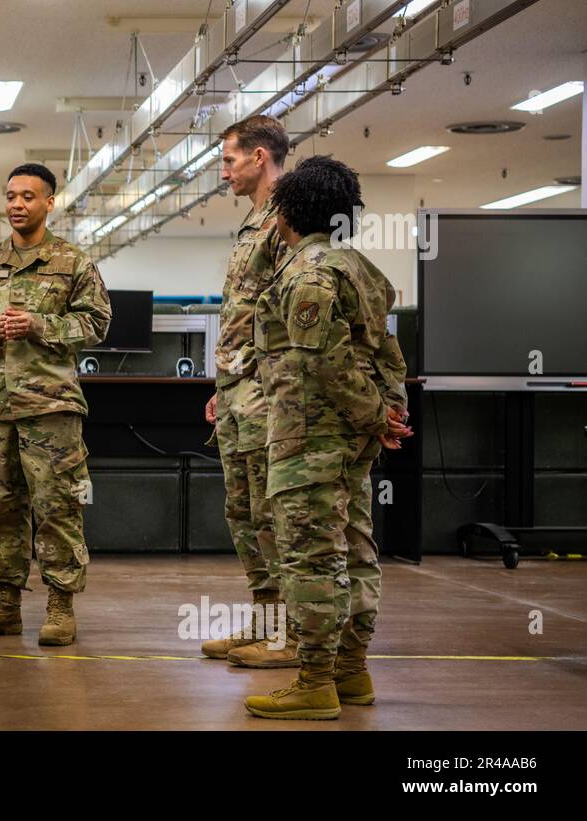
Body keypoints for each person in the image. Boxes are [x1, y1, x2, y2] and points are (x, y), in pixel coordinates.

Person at [244, 155, 412, 719]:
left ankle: (315, 681)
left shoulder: (306, 274)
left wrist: (372, 416)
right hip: (350, 444)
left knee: (311, 558)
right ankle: (352, 671)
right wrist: (389, 413)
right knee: (357, 550)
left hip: (311, 440)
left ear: (284, 211)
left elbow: (324, 364)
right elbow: (389, 354)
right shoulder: (362, 269)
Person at [0, 162, 112, 646]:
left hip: (51, 410)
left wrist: (40, 325)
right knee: (1, 506)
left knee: (57, 505)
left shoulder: (73, 262)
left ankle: (61, 606)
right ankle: (5, 605)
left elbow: (97, 323)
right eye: (11, 195)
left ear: (48, 203)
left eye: (28, 196)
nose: (17, 204)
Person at [201, 115, 295, 667]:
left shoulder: (288, 220)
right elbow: (243, 316)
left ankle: (288, 635)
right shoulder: (252, 223)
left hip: (267, 396)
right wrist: (225, 385)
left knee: (270, 513)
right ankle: (265, 623)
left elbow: (285, 317)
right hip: (239, 394)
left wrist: (259, 384)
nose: (224, 171)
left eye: (230, 160)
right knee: (242, 512)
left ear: (260, 157)